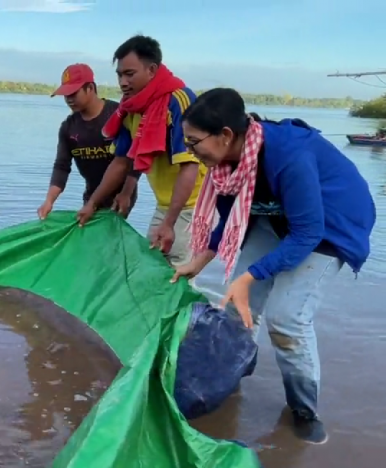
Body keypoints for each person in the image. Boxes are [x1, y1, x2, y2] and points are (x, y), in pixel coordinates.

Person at [171, 87, 376, 444]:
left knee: (286, 319)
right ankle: (232, 373)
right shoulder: (225, 166)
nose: (191, 151)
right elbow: (229, 218)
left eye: (193, 142)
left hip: (329, 227)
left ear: (225, 135)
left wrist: (251, 276)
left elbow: (308, 232)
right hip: (276, 218)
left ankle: (304, 410)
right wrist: (199, 261)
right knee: (235, 305)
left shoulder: (289, 156)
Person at [78, 35, 206, 266]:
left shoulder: (178, 100)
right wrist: (93, 203)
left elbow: (190, 166)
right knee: (150, 266)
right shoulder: (131, 107)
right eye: (119, 75)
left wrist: (168, 223)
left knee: (176, 273)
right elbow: (122, 161)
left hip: (195, 205)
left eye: (130, 74)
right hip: (166, 203)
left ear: (152, 70)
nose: (123, 82)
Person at [38, 63, 138, 220]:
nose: (69, 99)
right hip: (91, 197)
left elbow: (135, 158)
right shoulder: (68, 127)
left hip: (121, 197)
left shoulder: (118, 115)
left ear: (90, 88)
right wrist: (49, 201)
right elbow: (61, 167)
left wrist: (127, 193)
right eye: (65, 95)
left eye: (73, 93)